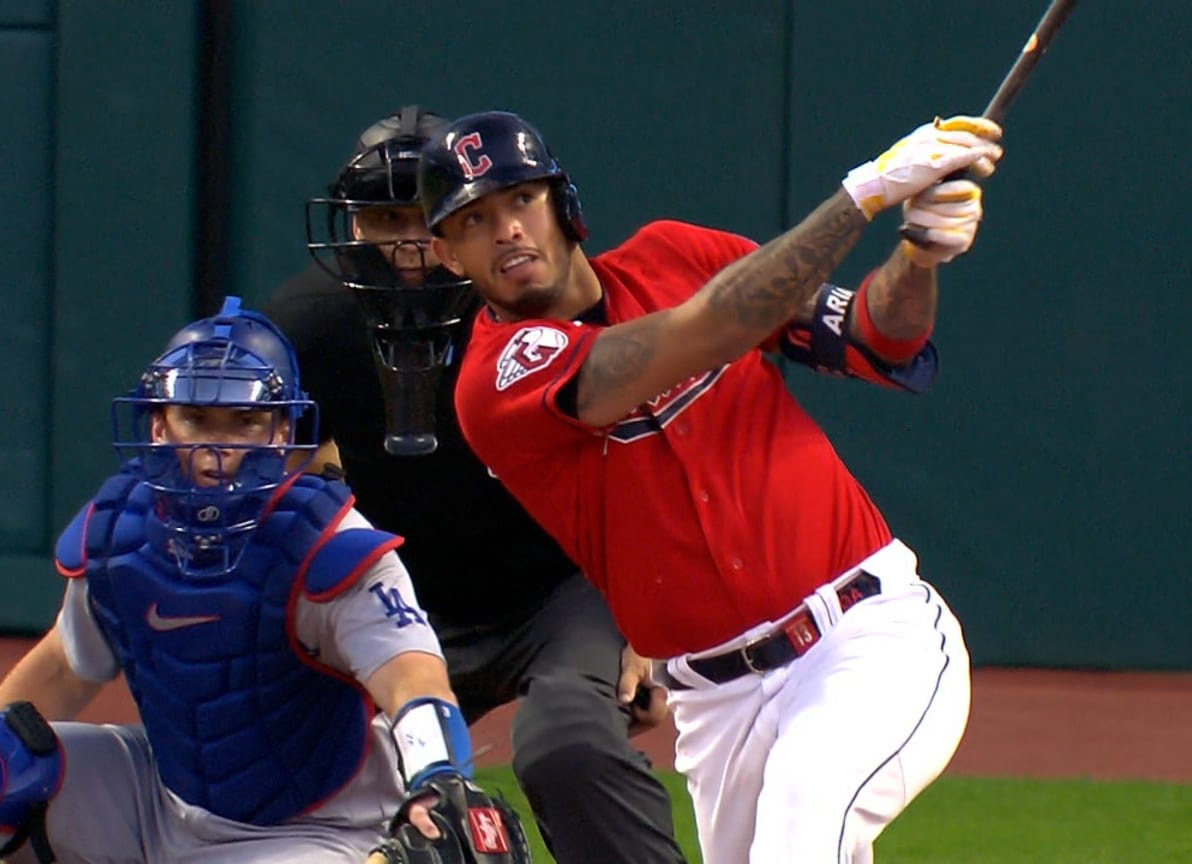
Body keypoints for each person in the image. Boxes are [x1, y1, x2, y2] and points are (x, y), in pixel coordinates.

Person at [420, 109, 1002, 863]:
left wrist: (919, 254)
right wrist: (862, 195)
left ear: (562, 204)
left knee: (806, 818)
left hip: (862, 635)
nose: (505, 229)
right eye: (473, 220)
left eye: (519, 200)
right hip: (718, 706)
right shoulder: (495, 378)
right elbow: (704, 329)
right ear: (445, 253)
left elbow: (875, 332)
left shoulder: (674, 254)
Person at [0, 298, 509, 864]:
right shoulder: (118, 533)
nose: (219, 451)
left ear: (282, 431)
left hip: (322, 829)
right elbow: (67, 667)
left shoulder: (331, 545)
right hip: (160, 803)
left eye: (244, 424)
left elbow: (414, 678)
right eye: (198, 421)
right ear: (160, 424)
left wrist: (438, 778)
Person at [265, 106, 685, 864]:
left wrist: (642, 620)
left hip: (558, 588)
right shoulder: (311, 324)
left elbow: (639, 458)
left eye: (423, 218)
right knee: (308, 766)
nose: (406, 247)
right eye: (382, 219)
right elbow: (280, 481)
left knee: (569, 742)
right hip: (401, 600)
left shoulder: (540, 307)